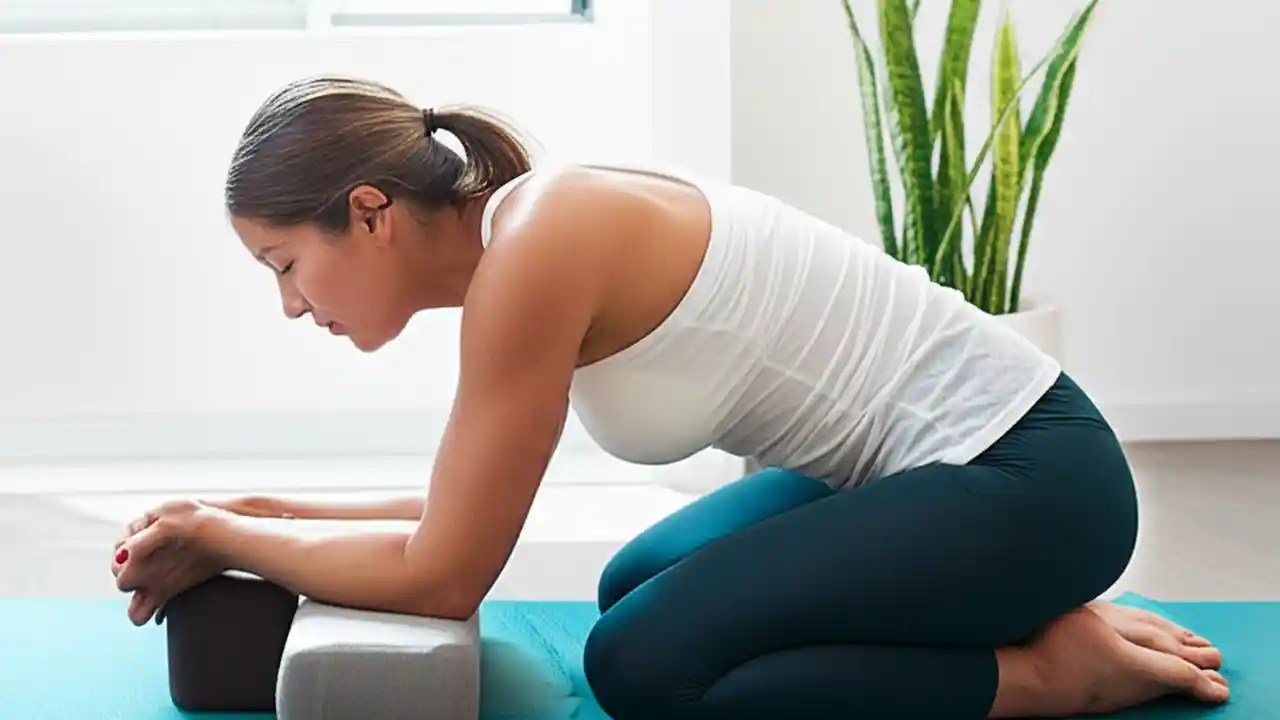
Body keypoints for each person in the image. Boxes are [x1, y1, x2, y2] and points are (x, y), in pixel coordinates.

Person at [110, 76, 1229, 719]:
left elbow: (446, 569)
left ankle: (1044, 673)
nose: (292, 308)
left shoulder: (539, 252)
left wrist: (225, 531)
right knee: (632, 583)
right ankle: (1001, 603)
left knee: (643, 665)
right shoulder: (526, 233)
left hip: (1032, 479)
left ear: (368, 212)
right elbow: (459, 510)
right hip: (930, 478)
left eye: (283, 267)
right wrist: (248, 516)